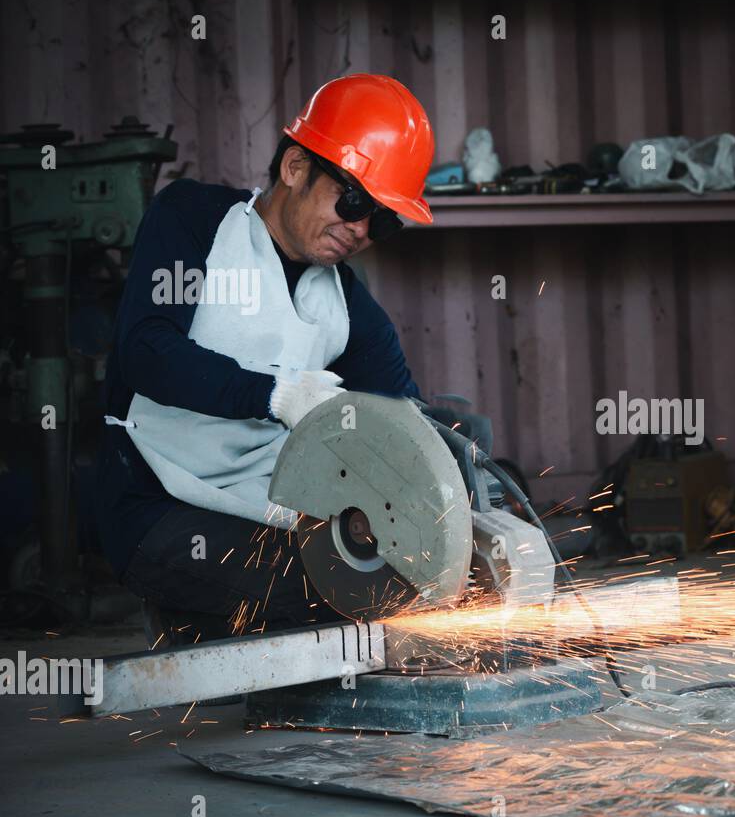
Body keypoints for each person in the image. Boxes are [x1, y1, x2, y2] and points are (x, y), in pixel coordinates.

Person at [95, 74, 468, 646]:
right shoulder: (195, 221)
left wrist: (461, 496)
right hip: (158, 507)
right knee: (348, 598)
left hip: (271, 510)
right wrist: (278, 395)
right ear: (295, 167)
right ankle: (192, 615)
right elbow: (145, 350)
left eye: (382, 220)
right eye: (354, 201)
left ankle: (212, 619)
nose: (361, 229)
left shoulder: (347, 302)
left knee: (405, 582)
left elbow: (403, 421)